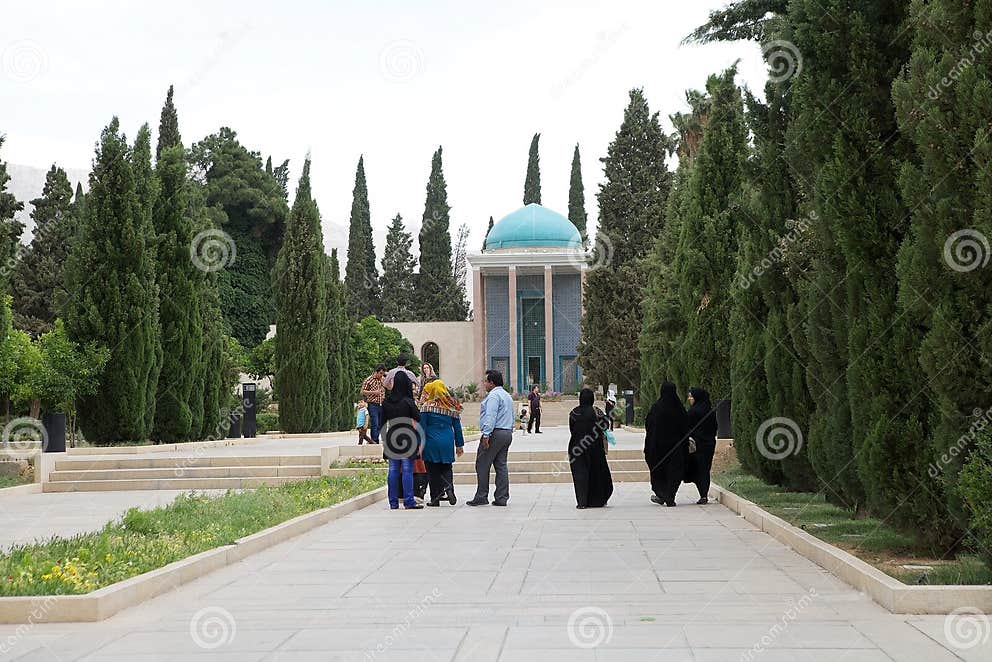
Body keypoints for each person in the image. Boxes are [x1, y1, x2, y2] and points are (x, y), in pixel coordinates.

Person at [467, 369, 514, 506]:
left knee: (482, 463)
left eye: (485, 381)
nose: (484, 384)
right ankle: (502, 497)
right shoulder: (507, 395)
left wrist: (486, 435)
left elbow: (491, 416)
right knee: (501, 465)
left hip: (495, 433)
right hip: (506, 433)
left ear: (491, 383)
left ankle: (481, 495)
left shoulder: (493, 396)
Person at [381, 371, 424, 510]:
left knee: (393, 470)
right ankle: (408, 501)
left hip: (392, 436)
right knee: (407, 470)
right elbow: (418, 418)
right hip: (407, 436)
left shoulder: (386, 402)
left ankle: (393, 502)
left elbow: (382, 422)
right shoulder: (408, 401)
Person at [420, 379, 465, 506]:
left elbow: (421, 427)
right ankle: (449, 488)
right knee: (446, 467)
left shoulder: (427, 406)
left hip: (431, 441)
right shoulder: (452, 406)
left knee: (433, 470)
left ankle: (435, 499)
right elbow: (457, 427)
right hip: (447, 441)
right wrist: (459, 445)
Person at [644, 381, 688, 507]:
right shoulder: (679, 408)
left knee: (658, 469)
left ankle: (661, 493)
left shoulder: (656, 408)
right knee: (675, 471)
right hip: (676, 447)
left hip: (658, 447)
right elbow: (685, 426)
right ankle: (670, 495)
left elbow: (649, 424)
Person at [568, 388, 614, 509]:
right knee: (597, 472)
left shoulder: (574, 413)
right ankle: (597, 500)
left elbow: (572, 430)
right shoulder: (597, 412)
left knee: (580, 474)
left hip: (577, 447)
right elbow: (605, 425)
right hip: (595, 447)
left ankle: (582, 502)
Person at [685, 387, 718, 504]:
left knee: (697, 468)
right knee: (705, 469)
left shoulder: (693, 412)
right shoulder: (711, 411)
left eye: (691, 396)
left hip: (696, 445)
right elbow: (715, 428)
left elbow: (687, 428)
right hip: (709, 444)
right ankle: (704, 495)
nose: (689, 399)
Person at [360, 364, 387, 444]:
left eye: (383, 373)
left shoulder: (382, 379)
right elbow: (362, 392)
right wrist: (374, 392)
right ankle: (374, 441)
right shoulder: (368, 380)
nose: (382, 375)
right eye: (381, 373)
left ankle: (376, 439)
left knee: (380, 423)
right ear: (376, 372)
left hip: (382, 404)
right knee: (375, 423)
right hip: (373, 404)